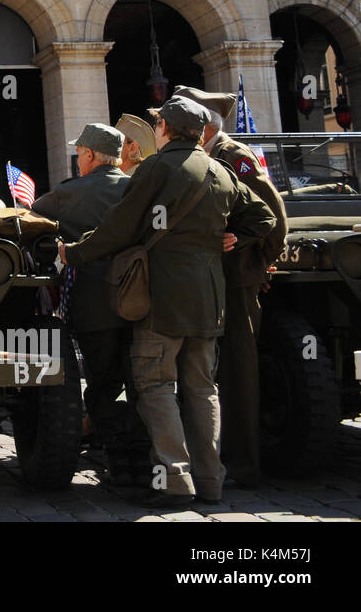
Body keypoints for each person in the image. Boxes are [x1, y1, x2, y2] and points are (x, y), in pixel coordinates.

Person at [61, 96, 276, 508]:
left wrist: (74, 253)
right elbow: (264, 217)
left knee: (155, 385)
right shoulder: (220, 170)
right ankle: (211, 481)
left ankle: (174, 482)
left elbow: (118, 227)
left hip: (162, 297)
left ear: (166, 129)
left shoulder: (158, 168)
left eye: (157, 123)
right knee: (201, 388)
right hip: (209, 299)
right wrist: (235, 238)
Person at [174, 85, 289, 489]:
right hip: (217, 275)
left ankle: (244, 464)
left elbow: (272, 213)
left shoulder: (233, 156)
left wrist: (258, 256)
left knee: (239, 372)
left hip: (238, 278)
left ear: (202, 125)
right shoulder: (207, 157)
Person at [32, 123, 148, 485]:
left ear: (90, 155)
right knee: (141, 384)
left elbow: (33, 216)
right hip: (141, 301)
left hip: (93, 304)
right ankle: (144, 463)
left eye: (79, 153)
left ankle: (119, 462)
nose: (77, 159)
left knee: (100, 384)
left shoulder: (70, 194)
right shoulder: (137, 188)